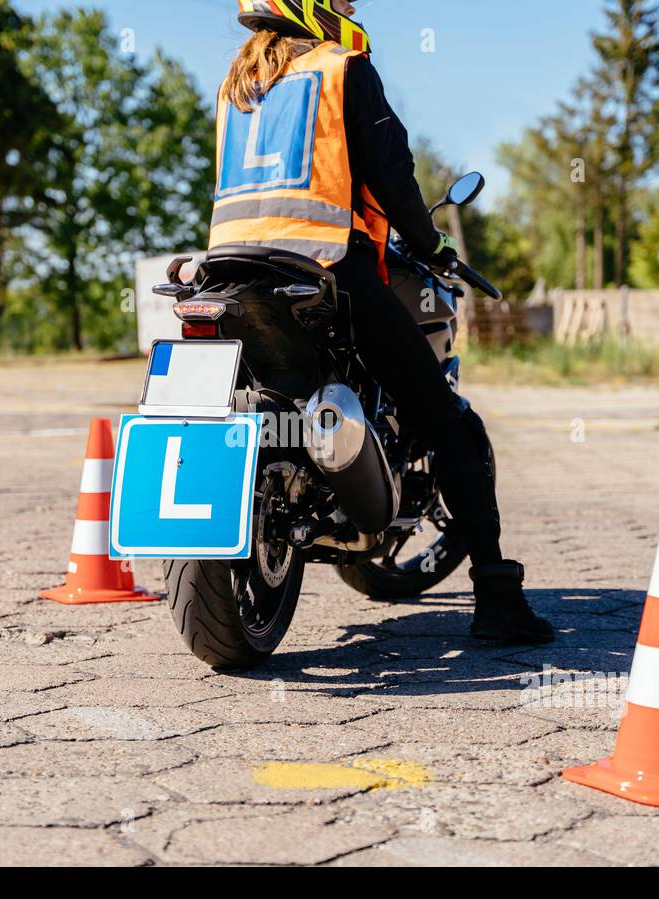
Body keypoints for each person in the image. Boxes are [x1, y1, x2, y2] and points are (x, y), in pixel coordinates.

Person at [211, 0, 553, 645]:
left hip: (229, 269)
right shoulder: (342, 68)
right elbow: (394, 177)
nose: (352, 7)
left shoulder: (238, 85)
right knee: (445, 417)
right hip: (326, 266)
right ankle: (499, 599)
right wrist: (431, 246)